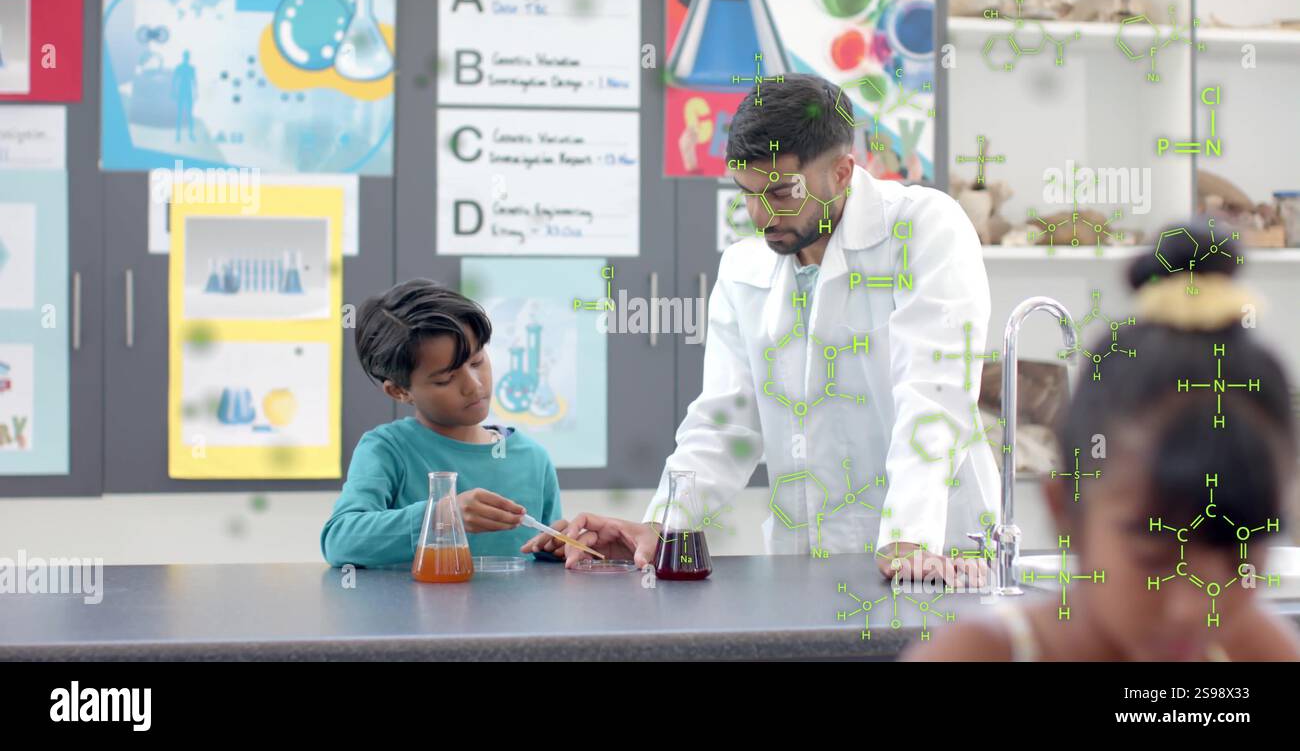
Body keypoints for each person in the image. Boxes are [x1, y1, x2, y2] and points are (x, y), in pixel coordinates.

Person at [526, 74, 999, 585]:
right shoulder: (743, 267)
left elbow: (934, 392)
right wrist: (663, 524)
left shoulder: (924, 227)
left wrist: (911, 536)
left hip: (938, 549)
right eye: (747, 193)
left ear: (842, 172)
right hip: (807, 562)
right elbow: (725, 422)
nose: (759, 214)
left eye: (779, 191)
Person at [908, 227, 1300, 661]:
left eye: (1238, 560)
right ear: (1066, 512)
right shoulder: (979, 655)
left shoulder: (1256, 651)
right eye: (1154, 559)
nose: (1194, 607)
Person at [322, 279, 562, 567]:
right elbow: (340, 541)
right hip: (412, 613)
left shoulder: (532, 459)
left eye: (476, 362)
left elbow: (547, 561)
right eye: (446, 379)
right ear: (399, 391)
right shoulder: (387, 449)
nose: (473, 386)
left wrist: (558, 549)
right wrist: (442, 516)